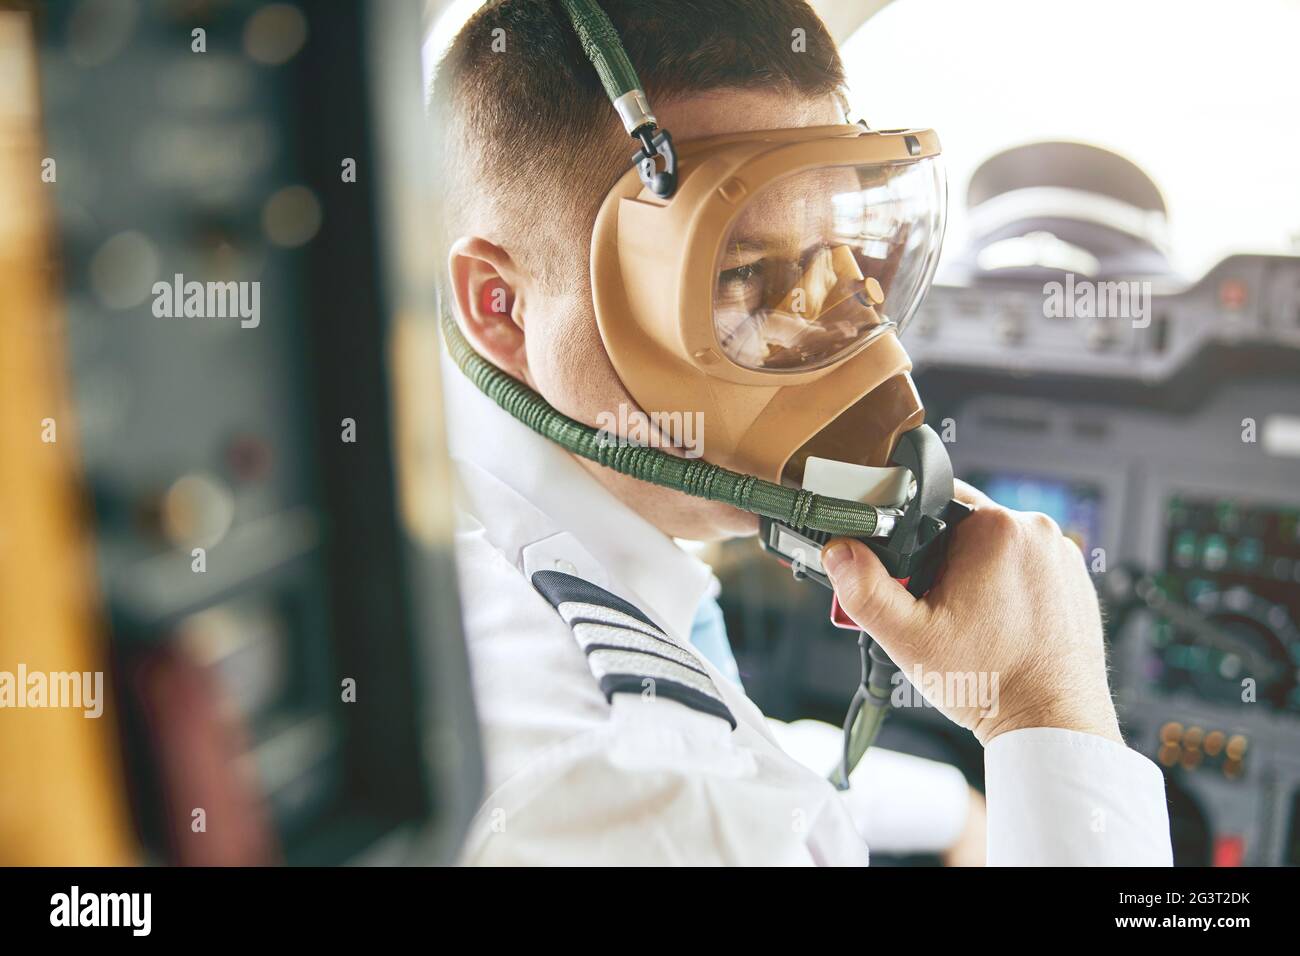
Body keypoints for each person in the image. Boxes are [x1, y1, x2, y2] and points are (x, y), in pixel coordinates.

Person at [432, 0, 1172, 865]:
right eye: (742, 273)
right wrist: (1047, 711)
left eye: (839, 254)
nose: (842, 333)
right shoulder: (651, 796)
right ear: (501, 306)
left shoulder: (491, 548)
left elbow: (735, 737)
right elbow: (705, 791)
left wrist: (945, 808)